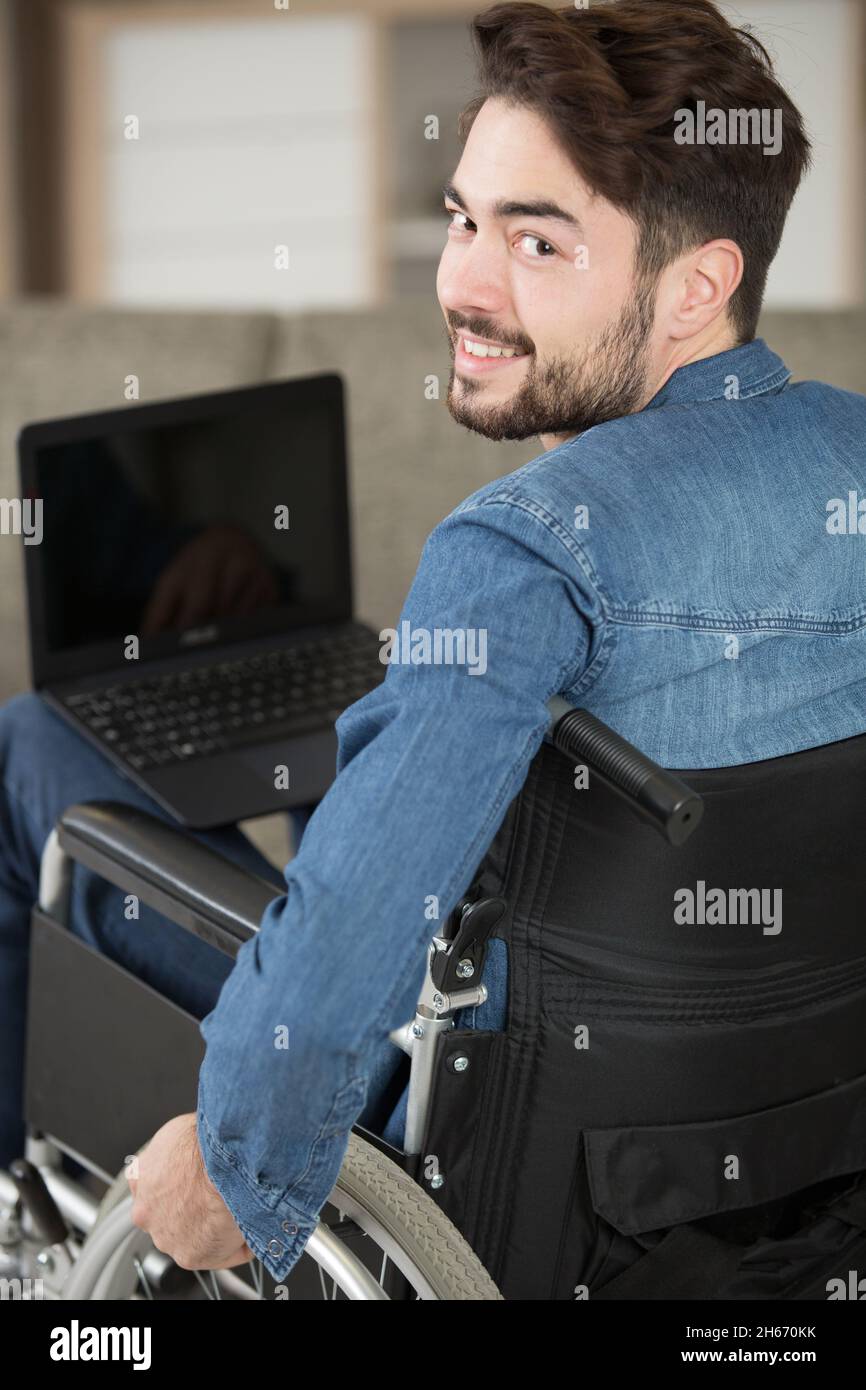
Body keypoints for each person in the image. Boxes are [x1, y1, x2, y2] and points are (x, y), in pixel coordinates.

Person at [3, 0, 865, 1282]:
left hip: (460, 1162)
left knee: (31, 747)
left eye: (537, 240)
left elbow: (352, 935)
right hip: (749, 1179)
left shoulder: (518, 552)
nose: (463, 283)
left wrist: (237, 1165)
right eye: (464, 218)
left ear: (697, 285)